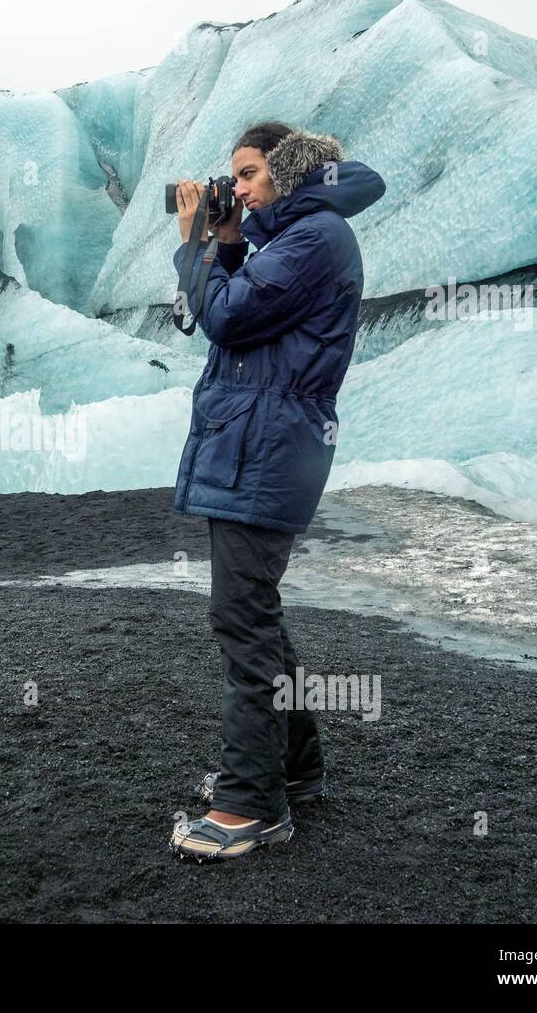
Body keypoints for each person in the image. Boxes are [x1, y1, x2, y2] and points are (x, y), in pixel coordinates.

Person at [168, 121, 386, 860]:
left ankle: (250, 805)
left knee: (243, 623)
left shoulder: (312, 239)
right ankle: (291, 770)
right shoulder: (293, 239)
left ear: (289, 178)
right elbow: (245, 319)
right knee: (257, 614)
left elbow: (225, 317)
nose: (242, 189)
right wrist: (228, 242)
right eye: (236, 177)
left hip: (267, 450)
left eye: (253, 175)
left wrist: (198, 242)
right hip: (258, 445)